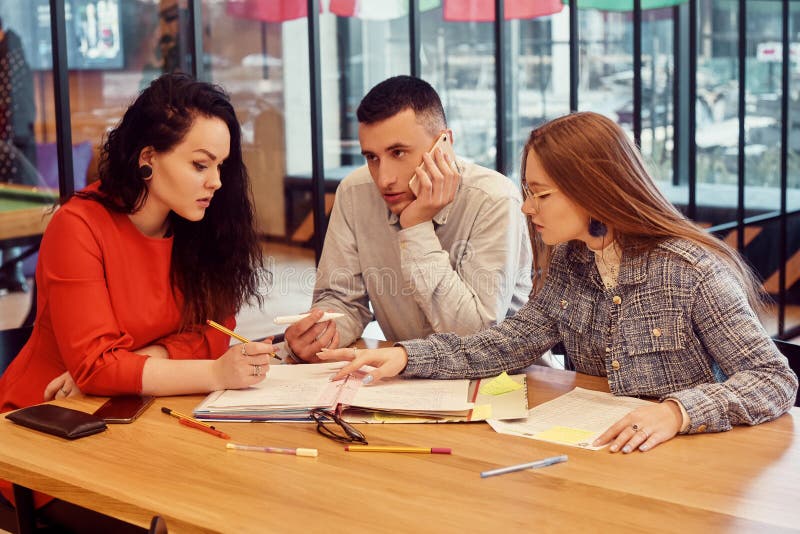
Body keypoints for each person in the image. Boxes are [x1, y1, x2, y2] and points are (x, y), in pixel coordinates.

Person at [319, 111, 799, 454]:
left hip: (689, 464)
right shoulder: (574, 261)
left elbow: (773, 379)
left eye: (540, 193)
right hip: (600, 455)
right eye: (528, 191)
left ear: (594, 189)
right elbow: (509, 343)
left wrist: (677, 412)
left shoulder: (691, 271)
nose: (527, 207)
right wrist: (404, 356)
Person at [0, 73, 274, 528]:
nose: (216, 183)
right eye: (200, 165)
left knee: (241, 500)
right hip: (50, 432)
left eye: (221, 166)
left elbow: (214, 328)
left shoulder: (196, 226)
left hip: (133, 416)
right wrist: (212, 372)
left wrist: (138, 359)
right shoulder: (79, 227)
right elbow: (95, 368)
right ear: (148, 158)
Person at [285, 76, 532, 363]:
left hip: (508, 381)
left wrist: (416, 227)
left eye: (398, 152)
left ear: (444, 144)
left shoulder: (494, 199)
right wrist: (323, 333)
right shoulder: (354, 193)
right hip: (406, 378)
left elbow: (472, 337)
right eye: (372, 157)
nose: (384, 179)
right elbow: (342, 301)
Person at [0, 15, 38, 293]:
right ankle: (11, 274)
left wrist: (8, 142)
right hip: (10, 144)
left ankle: (12, 273)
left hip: (13, 145)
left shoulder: (10, 47)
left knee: (9, 209)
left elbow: (13, 102)